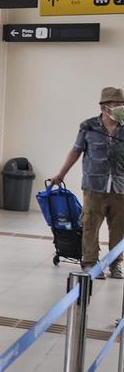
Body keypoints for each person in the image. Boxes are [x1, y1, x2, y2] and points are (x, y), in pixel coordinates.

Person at [51, 87, 124, 279]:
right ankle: (91, 263)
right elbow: (76, 151)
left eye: (121, 104)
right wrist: (61, 174)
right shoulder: (88, 126)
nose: (118, 107)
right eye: (114, 104)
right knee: (90, 226)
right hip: (94, 186)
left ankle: (116, 264)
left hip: (121, 188)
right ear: (103, 106)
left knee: (119, 229)